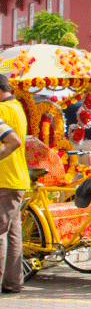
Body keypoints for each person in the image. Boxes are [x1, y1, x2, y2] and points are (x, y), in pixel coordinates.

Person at [0, 75, 28, 294]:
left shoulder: (2, 110)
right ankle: (13, 282)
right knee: (13, 233)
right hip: (18, 177)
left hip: (5, 177)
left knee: (1, 232)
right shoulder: (18, 108)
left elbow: (13, 141)